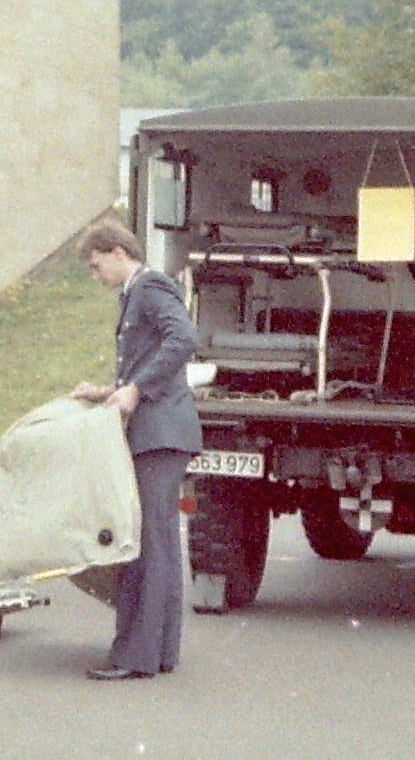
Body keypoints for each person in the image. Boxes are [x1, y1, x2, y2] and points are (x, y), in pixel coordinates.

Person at [72, 219, 201, 680]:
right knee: (157, 544)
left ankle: (136, 657)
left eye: (96, 265)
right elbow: (151, 358)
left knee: (146, 545)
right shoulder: (137, 292)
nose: (96, 275)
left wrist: (136, 390)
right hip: (159, 432)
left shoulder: (149, 287)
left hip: (160, 434)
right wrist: (110, 389)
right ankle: (157, 654)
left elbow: (184, 339)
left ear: (116, 252)